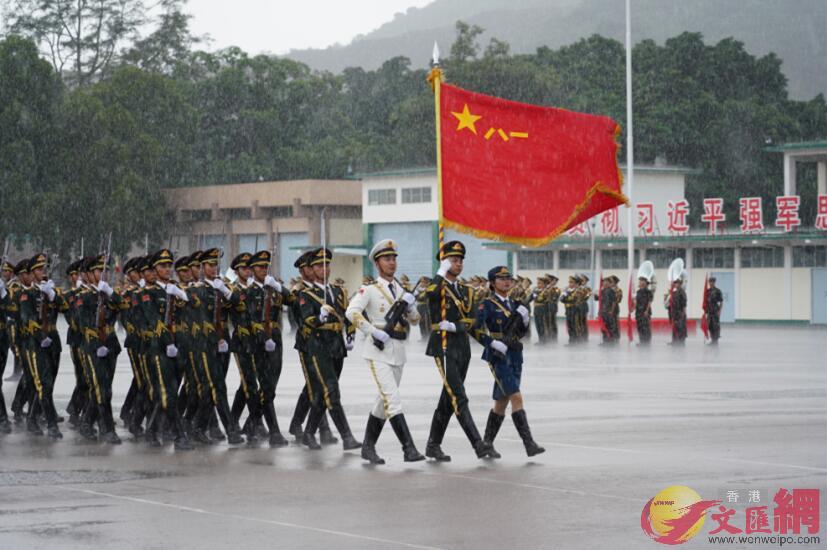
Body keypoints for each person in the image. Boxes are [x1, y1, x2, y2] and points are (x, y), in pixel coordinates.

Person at [345, 239, 425, 464]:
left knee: (383, 401)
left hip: (398, 350)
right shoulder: (369, 289)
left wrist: (410, 307)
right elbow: (352, 313)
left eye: (394, 258)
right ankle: (408, 449)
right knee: (393, 399)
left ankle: (368, 447)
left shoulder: (401, 290)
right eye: (387, 259)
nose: (392, 262)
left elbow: (417, 321)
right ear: (377, 264)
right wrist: (372, 331)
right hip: (377, 351)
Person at [423, 240, 498, 461]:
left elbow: (473, 321)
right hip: (443, 346)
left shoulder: (467, 290)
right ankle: (479, 444)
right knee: (458, 396)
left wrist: (489, 342)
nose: (459, 264)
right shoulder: (436, 286)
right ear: (444, 263)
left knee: (448, 398)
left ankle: (433, 445)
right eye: (453, 261)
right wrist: (439, 273)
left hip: (461, 347)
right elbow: (430, 296)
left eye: (460, 260)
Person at [475, 266, 545, 457]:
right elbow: (476, 329)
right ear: (492, 282)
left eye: (509, 278)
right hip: (498, 356)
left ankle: (486, 444)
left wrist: (524, 319)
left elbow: (521, 332)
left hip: (515, 354)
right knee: (516, 396)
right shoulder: (487, 304)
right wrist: (492, 343)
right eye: (502, 278)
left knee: (501, 401)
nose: (507, 282)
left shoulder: (516, 304)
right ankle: (529, 444)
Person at [298, 248, 361, 451]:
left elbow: (348, 314)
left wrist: (350, 332)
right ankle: (347, 437)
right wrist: (320, 317)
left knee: (320, 393)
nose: (324, 269)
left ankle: (308, 433)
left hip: (336, 346)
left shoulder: (337, 291)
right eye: (318, 266)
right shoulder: (305, 294)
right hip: (318, 346)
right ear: (311, 269)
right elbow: (306, 321)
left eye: (326, 265)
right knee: (332, 391)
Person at [633, 275, 653, 345]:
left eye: (643, 281)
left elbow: (649, 302)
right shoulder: (638, 292)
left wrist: (647, 311)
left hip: (645, 312)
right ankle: (642, 341)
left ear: (646, 283)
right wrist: (632, 308)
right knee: (640, 327)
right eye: (640, 281)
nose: (641, 282)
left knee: (646, 328)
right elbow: (636, 302)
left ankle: (646, 341)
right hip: (638, 312)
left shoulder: (648, 292)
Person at [667, 277, 687, 346]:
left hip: (680, 312)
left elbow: (684, 303)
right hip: (675, 313)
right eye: (675, 283)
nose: (676, 284)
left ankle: (681, 342)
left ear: (680, 284)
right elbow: (672, 302)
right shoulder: (674, 292)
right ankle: (674, 341)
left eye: (678, 283)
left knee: (680, 328)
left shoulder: (682, 292)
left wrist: (683, 313)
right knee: (675, 327)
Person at [706, 277, 724, 344]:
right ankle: (712, 339)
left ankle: (715, 340)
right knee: (710, 326)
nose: (711, 283)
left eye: (713, 282)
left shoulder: (718, 291)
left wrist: (719, 311)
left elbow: (721, 302)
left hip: (715, 311)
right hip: (709, 312)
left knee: (715, 326)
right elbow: (705, 302)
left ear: (714, 282)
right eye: (710, 282)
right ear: (709, 282)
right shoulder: (707, 291)